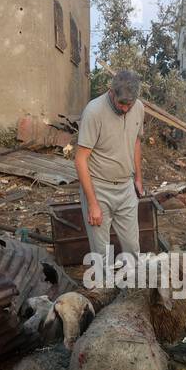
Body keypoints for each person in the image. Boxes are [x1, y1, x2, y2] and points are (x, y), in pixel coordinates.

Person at [73, 70, 144, 258]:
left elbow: (136, 141)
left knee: (133, 247)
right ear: (111, 92)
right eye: (121, 103)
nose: (125, 109)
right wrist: (92, 203)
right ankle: (105, 286)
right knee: (101, 253)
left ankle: (134, 286)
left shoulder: (139, 108)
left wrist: (138, 178)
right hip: (99, 187)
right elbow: (80, 159)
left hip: (125, 187)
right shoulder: (94, 111)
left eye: (130, 104)